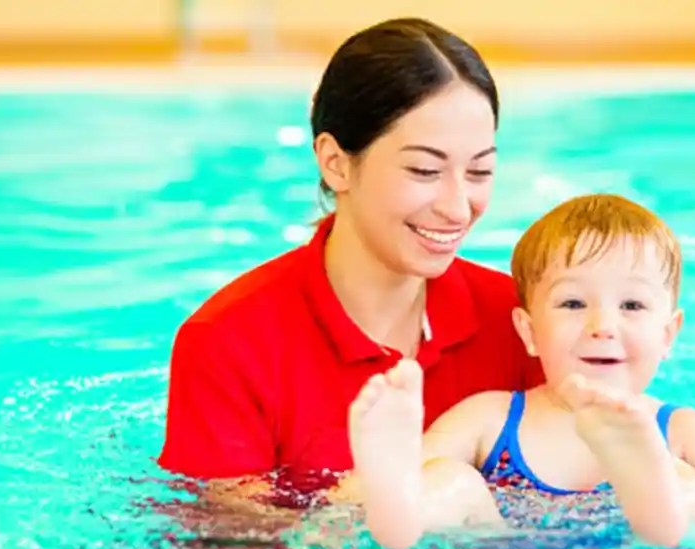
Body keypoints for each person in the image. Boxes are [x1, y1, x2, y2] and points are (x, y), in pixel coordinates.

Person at [158, 18, 542, 511]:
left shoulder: (522, 322)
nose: (458, 206)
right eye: (424, 170)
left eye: (479, 171)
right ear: (336, 162)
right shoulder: (229, 342)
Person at [346, 193, 695, 549]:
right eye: (572, 304)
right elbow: (415, 475)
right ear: (528, 331)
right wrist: (382, 476)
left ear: (668, 334)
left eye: (632, 305)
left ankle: (654, 499)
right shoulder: (492, 417)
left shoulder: (678, 431)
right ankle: (396, 515)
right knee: (447, 480)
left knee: (690, 489)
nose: (602, 327)